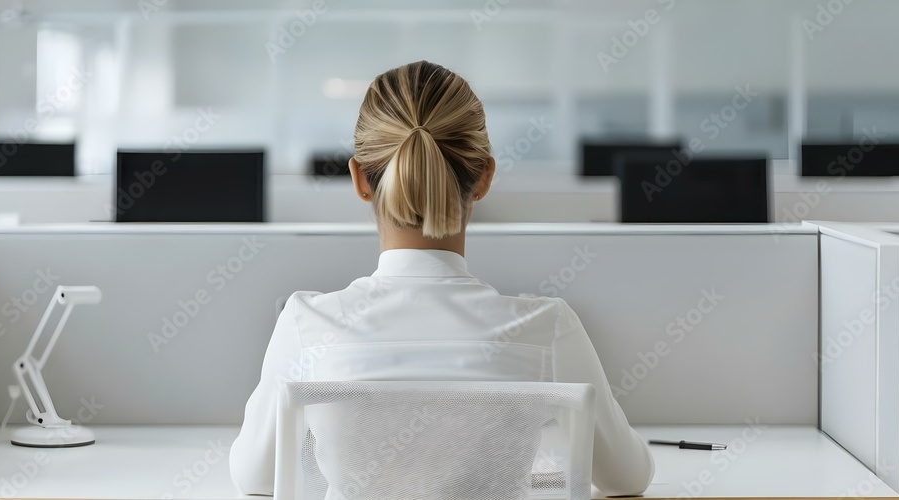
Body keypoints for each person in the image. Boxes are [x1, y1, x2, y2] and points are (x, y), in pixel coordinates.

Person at [229, 60, 654, 496]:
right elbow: (627, 478)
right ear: (484, 177)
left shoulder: (307, 324)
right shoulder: (547, 327)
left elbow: (256, 479)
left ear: (359, 179)